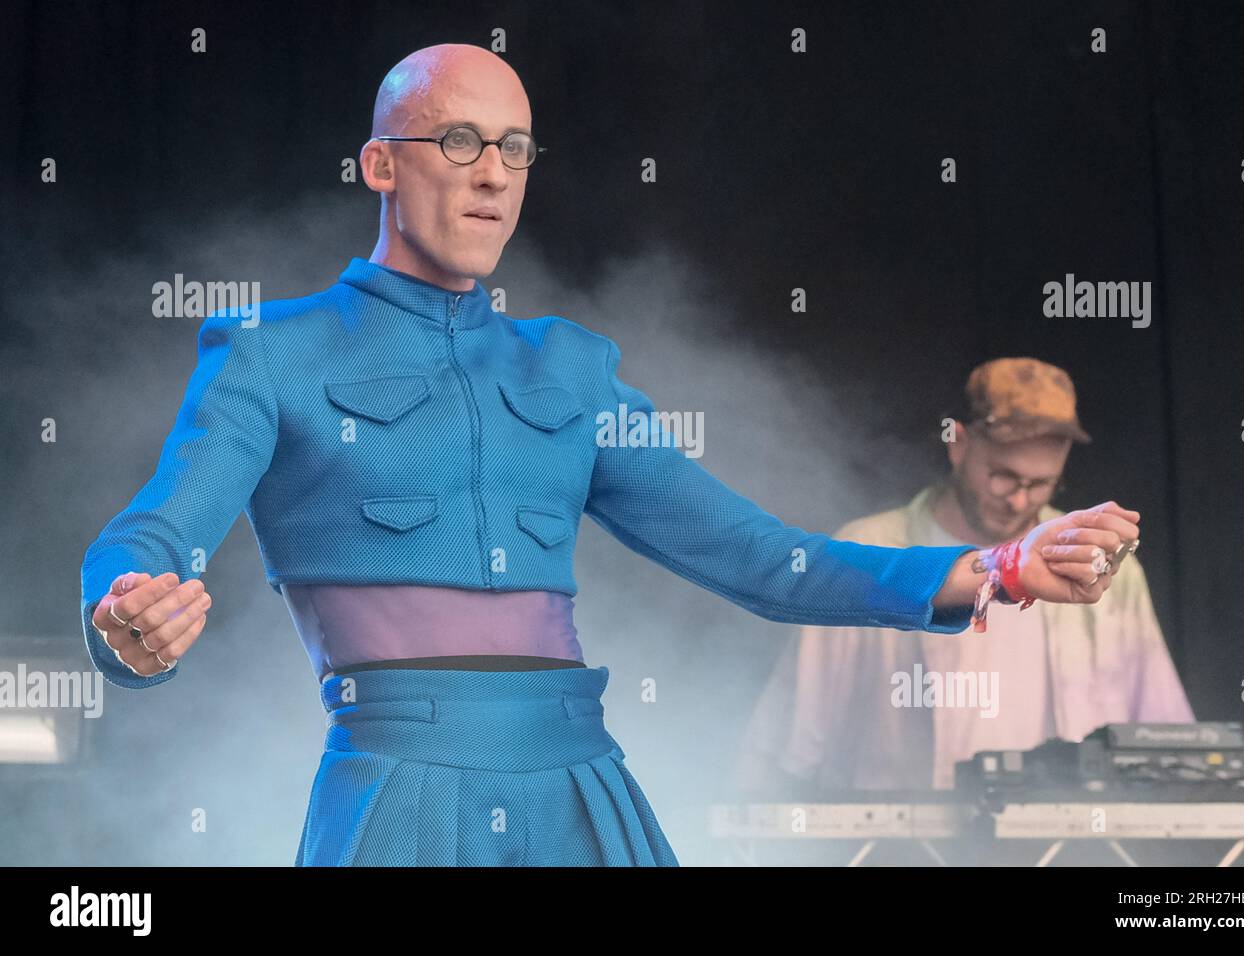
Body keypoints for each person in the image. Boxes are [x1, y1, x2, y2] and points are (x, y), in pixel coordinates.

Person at [80, 45, 1141, 866]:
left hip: (583, 780)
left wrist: (998, 569)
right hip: (394, 782)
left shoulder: (572, 371)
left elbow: (764, 560)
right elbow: (157, 527)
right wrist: (122, 610)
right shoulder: (272, 351)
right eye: (457, 141)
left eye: (515, 148)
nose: (492, 174)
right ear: (378, 164)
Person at [733, 358, 1193, 794]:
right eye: (1002, 476)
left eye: (1040, 484)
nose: (1018, 500)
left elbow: (1168, 741)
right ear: (957, 443)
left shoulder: (1099, 567)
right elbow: (782, 746)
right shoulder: (867, 548)